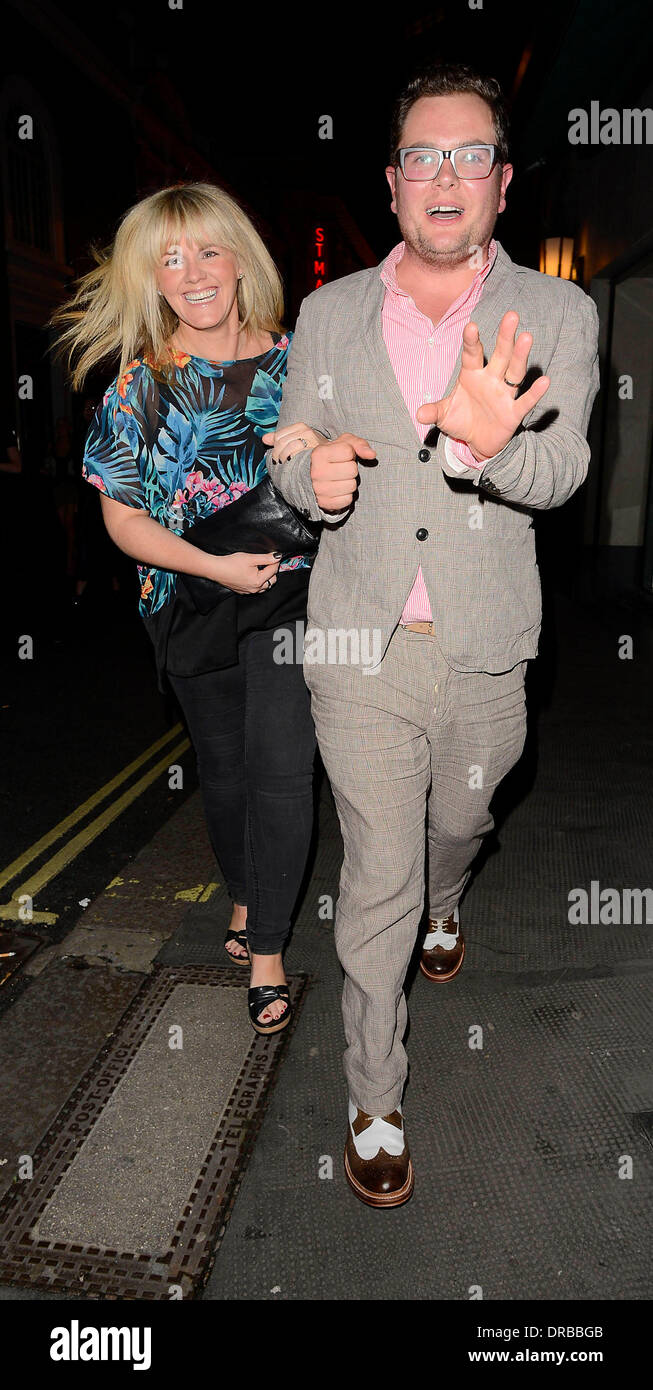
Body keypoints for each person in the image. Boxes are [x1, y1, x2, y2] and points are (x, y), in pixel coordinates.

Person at [266, 63, 600, 1203]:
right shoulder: (326, 311)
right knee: (375, 870)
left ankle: (449, 897)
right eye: (422, 155)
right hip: (359, 640)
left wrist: (487, 446)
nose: (443, 175)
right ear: (394, 182)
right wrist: (306, 474)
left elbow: (559, 471)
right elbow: (288, 442)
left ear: (501, 185)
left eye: (469, 156)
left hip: (484, 636)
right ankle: (373, 1094)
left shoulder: (559, 313)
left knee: (454, 822)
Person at [52, 182, 326, 1033]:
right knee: (228, 769)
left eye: (208, 249)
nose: (194, 272)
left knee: (283, 766)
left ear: (240, 258)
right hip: (191, 599)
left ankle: (269, 950)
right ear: (153, 280)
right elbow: (123, 517)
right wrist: (213, 564)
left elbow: (356, 466)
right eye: (171, 259)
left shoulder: (302, 363)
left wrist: (325, 446)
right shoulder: (141, 386)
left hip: (292, 595)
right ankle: (243, 892)